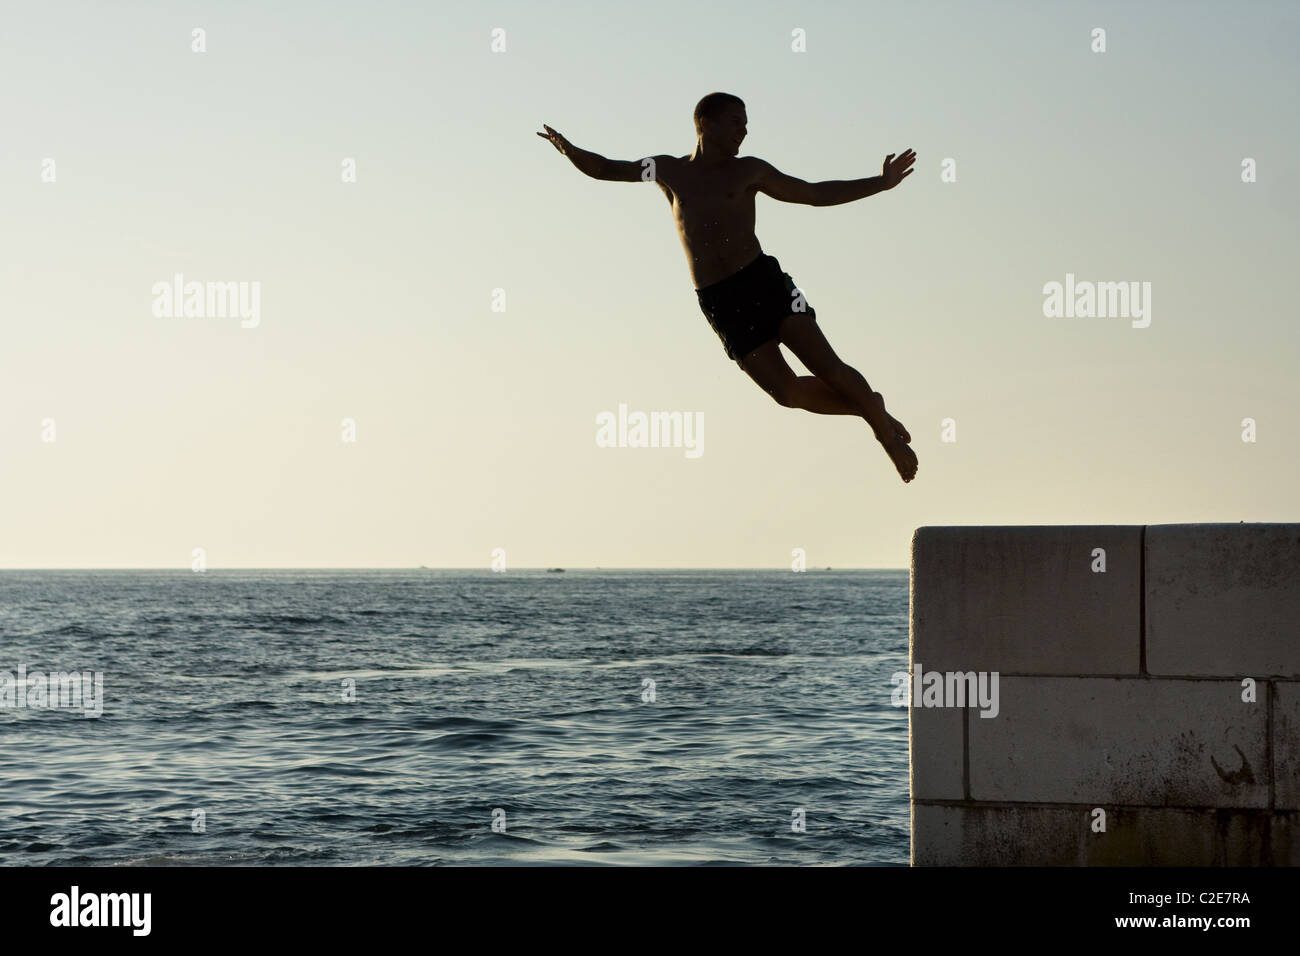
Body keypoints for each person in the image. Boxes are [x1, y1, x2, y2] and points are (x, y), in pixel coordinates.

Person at [537, 91, 918, 483]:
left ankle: (883, 434)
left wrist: (880, 183)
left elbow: (814, 194)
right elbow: (606, 169)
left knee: (830, 368)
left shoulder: (750, 171)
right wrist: (567, 149)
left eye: (746, 123)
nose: (745, 131)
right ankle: (870, 407)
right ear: (705, 123)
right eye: (736, 122)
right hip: (720, 300)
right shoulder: (667, 171)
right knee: (786, 393)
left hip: (764, 281)